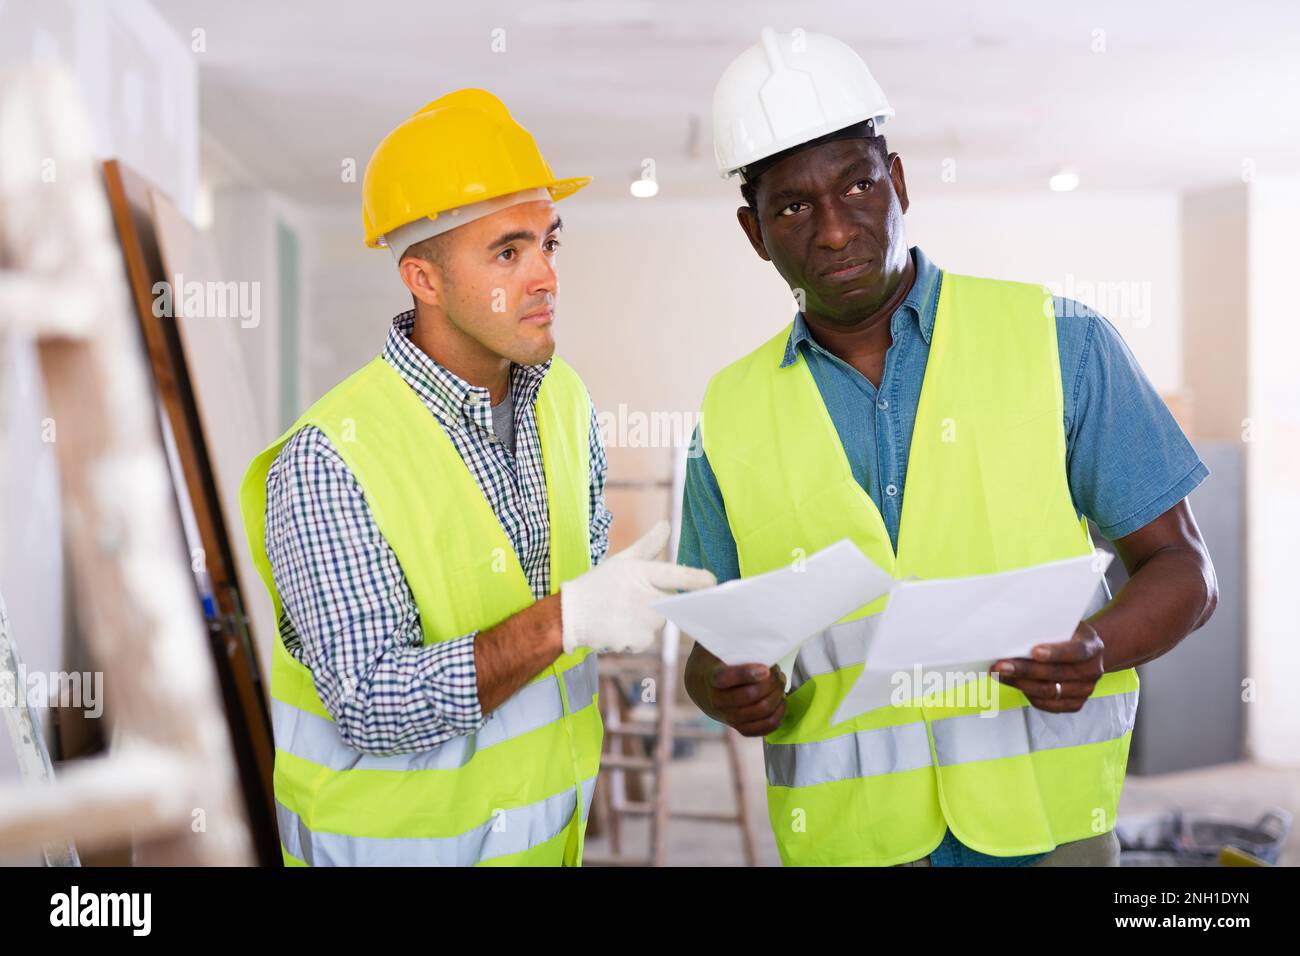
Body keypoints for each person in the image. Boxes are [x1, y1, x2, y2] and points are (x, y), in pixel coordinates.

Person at [679, 29, 1217, 867]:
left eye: (857, 184)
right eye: (792, 206)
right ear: (755, 232)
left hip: (1043, 835)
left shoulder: (1059, 341)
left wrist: (1099, 648)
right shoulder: (728, 410)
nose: (831, 230)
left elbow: (1184, 569)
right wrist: (728, 689)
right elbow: (711, 647)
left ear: (896, 181)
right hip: (850, 844)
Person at [240, 89, 714, 866]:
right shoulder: (330, 457)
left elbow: (578, 594)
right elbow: (372, 704)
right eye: (507, 251)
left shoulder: (563, 401)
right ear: (424, 279)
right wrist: (564, 620)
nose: (545, 277)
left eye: (548, 244)